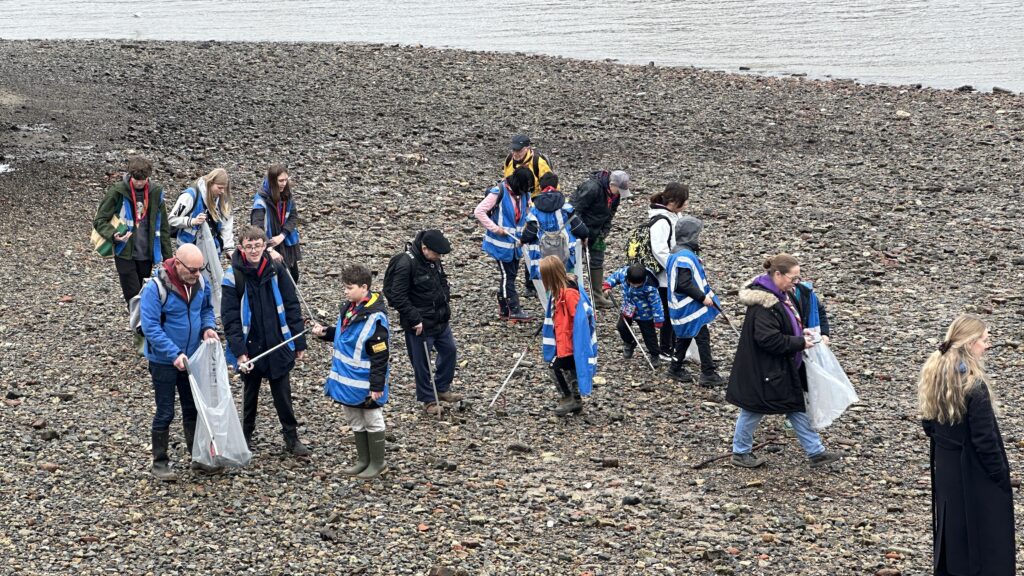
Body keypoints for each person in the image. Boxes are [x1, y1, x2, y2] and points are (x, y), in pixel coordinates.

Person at [725, 254, 842, 469]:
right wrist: (799, 342)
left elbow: (784, 326)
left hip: (779, 366)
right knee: (753, 408)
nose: (796, 282)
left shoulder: (781, 295)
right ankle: (740, 453)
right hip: (764, 369)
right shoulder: (765, 303)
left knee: (795, 405)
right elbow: (767, 339)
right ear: (777, 274)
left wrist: (801, 332)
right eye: (793, 278)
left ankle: (816, 452)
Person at [919, 315, 1014, 575]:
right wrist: (1000, 476)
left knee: (954, 527)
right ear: (970, 343)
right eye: (984, 340)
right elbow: (985, 441)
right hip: (973, 472)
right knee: (985, 532)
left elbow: (928, 424)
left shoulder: (935, 372)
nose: (987, 345)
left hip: (947, 470)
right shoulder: (974, 385)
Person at [221, 226, 309, 457]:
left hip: (277, 341)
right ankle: (245, 437)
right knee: (250, 394)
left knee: (283, 393)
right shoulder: (233, 276)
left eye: (258, 245)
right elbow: (229, 319)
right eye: (248, 246)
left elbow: (291, 305)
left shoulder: (277, 269)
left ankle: (291, 438)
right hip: (251, 346)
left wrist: (299, 342)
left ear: (265, 246)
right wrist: (239, 351)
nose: (253, 250)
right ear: (241, 247)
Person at [139, 244, 218, 481]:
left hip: (192, 356)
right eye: (192, 270)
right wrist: (174, 354)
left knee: (192, 408)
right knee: (165, 411)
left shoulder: (201, 283)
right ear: (177, 262)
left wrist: (208, 328)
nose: (196, 274)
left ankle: (198, 457)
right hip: (163, 361)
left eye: (200, 269)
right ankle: (160, 462)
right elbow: (150, 327)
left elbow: (207, 309)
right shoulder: (155, 288)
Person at [312, 264, 391, 480]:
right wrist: (326, 332)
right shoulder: (350, 308)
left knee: (372, 418)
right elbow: (344, 336)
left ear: (364, 287)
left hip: (364, 383)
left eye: (349, 287)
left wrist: (376, 386)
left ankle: (377, 462)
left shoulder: (375, 320)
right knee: (354, 417)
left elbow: (380, 357)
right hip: (347, 381)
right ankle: (363, 460)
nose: (345, 292)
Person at [383, 229, 462, 416]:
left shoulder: (433, 260)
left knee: (450, 350)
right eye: (436, 254)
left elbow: (441, 282)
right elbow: (396, 296)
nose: (439, 257)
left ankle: (441, 388)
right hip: (419, 325)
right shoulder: (405, 263)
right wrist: (414, 319)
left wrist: (446, 300)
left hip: (440, 319)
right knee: (421, 363)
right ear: (424, 248)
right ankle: (428, 400)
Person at [93, 155, 172, 306]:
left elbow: (163, 228)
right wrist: (112, 234)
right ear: (130, 175)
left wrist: (168, 258)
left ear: (148, 177)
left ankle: (143, 324)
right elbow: (99, 220)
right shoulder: (117, 191)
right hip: (124, 252)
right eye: (136, 179)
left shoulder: (155, 193)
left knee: (144, 292)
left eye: (143, 179)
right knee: (133, 294)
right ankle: (140, 327)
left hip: (146, 254)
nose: (140, 183)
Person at [665, 216, 726, 387]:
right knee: (701, 336)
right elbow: (683, 284)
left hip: (680, 306)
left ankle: (675, 367)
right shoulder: (684, 256)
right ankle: (708, 373)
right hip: (688, 306)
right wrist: (703, 297)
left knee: (684, 336)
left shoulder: (676, 253)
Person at [539, 256, 598, 416]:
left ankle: (568, 398)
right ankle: (576, 400)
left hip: (570, 343)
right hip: (565, 341)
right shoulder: (561, 290)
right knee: (570, 370)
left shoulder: (569, 294)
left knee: (555, 368)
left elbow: (580, 318)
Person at [474, 167, 534, 322]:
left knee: (510, 275)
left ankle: (504, 310)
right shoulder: (498, 192)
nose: (525, 191)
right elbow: (479, 211)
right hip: (500, 245)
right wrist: (495, 229)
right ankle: (514, 309)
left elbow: (527, 213)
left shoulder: (525, 195)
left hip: (515, 245)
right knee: (508, 276)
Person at [570, 169, 630, 308]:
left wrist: (604, 232)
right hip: (579, 230)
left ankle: (597, 296)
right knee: (574, 262)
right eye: (619, 190)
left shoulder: (615, 195)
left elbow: (611, 214)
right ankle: (571, 296)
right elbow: (575, 210)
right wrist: (582, 233)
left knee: (598, 260)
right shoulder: (592, 188)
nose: (620, 194)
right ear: (612, 184)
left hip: (597, 231)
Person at [521, 173, 589, 295]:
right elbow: (579, 228)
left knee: (549, 282)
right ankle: (569, 305)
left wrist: (522, 240)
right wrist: (584, 237)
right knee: (568, 279)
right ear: (556, 186)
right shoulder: (565, 206)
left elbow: (530, 231)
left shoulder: (535, 208)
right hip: (566, 252)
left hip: (544, 256)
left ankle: (552, 309)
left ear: (541, 188)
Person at [502, 134, 553, 298]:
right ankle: (529, 281)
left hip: (537, 201)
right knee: (522, 238)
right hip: (519, 199)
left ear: (528, 148)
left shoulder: (539, 163)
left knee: (533, 240)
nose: (516, 153)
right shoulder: (509, 159)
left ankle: (532, 282)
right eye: (514, 149)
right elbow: (507, 179)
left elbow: (550, 186)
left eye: (519, 150)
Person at [648, 182, 690, 360]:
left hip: (672, 273)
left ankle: (671, 346)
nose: (687, 204)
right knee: (667, 311)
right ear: (674, 202)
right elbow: (660, 250)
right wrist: (676, 267)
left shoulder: (673, 215)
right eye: (684, 200)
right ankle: (665, 348)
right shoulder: (662, 221)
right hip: (665, 276)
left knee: (673, 309)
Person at [602, 263, 663, 367]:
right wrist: (608, 285)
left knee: (649, 335)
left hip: (645, 312)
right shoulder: (624, 273)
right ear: (628, 278)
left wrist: (659, 318)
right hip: (628, 307)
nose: (634, 286)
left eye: (638, 285)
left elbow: (656, 303)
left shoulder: (650, 287)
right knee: (621, 326)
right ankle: (630, 342)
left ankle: (654, 354)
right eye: (632, 284)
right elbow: (614, 276)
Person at [169, 167, 235, 258]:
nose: (222, 191)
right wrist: (192, 221)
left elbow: (226, 226)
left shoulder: (223, 199)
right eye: (219, 188)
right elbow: (172, 219)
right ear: (210, 183)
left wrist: (229, 248)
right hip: (188, 250)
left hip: (211, 250)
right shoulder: (190, 196)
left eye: (224, 188)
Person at [251, 164, 302, 281]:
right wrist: (269, 249)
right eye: (281, 181)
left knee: (293, 277)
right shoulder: (261, 200)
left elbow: (293, 217)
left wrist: (282, 235)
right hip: (269, 245)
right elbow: (257, 228)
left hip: (285, 242)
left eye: (286, 180)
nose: (284, 183)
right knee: (277, 280)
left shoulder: (287, 194)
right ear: (272, 181)